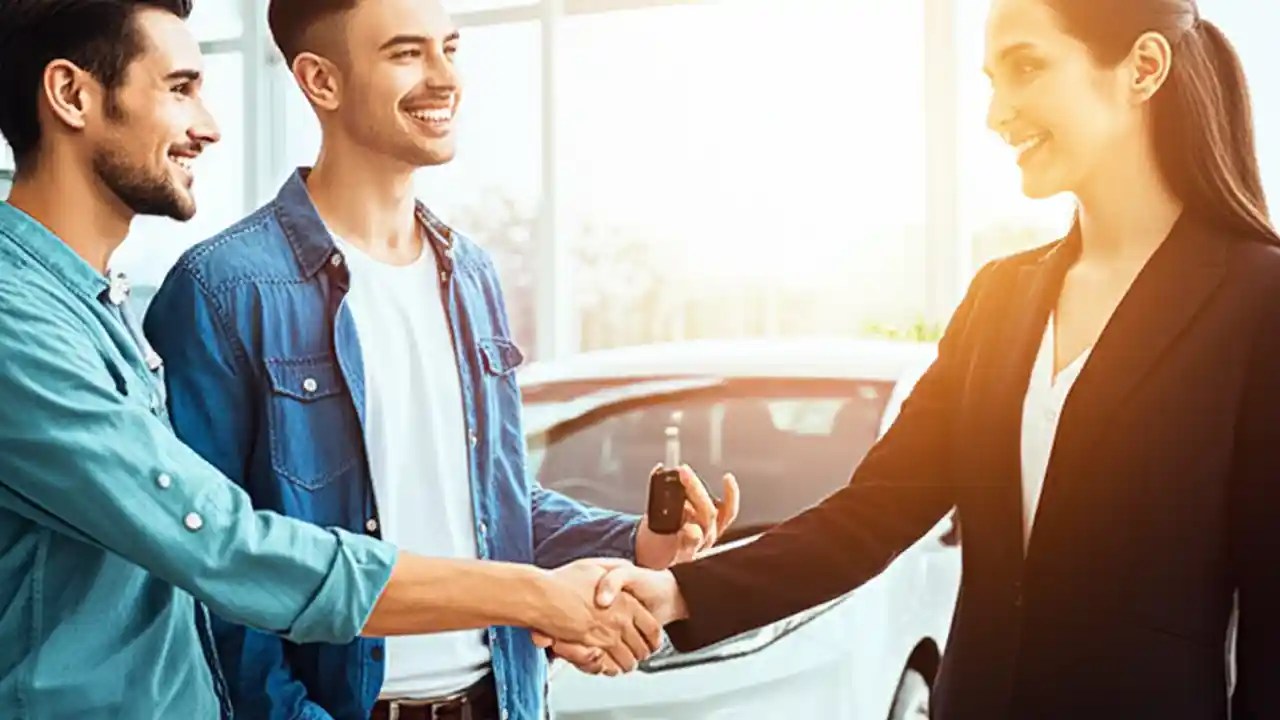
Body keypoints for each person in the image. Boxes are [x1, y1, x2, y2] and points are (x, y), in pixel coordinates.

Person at [580, 1, 1280, 718]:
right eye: (991, 80)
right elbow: (873, 513)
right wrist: (682, 594)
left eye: (1028, 68)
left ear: (1143, 68)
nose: (997, 114)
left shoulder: (1259, 301)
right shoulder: (1000, 297)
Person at [0, 2, 667, 718]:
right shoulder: (34, 318)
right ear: (72, 95)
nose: (211, 126)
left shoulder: (95, 309)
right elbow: (225, 549)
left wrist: (626, 542)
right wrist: (535, 595)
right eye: (179, 87)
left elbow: (487, 498)